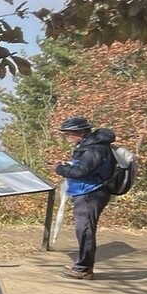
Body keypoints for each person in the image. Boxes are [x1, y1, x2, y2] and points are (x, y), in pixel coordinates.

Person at [53, 115, 116, 280]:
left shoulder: (92, 149)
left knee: (85, 230)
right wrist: (68, 164)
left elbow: (81, 172)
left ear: (80, 132)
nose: (67, 138)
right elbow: (86, 167)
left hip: (90, 193)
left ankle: (83, 269)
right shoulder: (91, 145)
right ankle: (82, 265)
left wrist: (59, 168)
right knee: (84, 229)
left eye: (69, 134)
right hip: (89, 191)